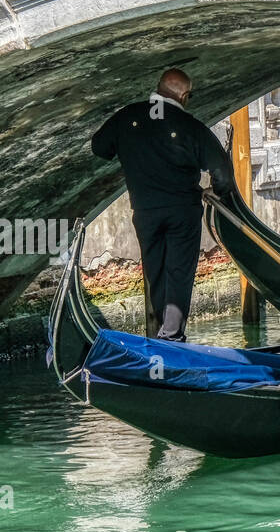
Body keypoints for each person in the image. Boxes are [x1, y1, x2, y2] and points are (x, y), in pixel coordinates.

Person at [91, 68, 234, 341]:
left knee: (156, 271)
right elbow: (223, 172)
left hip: (145, 211)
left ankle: (163, 338)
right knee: (178, 272)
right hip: (182, 211)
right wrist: (218, 191)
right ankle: (172, 338)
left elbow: (99, 147)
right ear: (185, 95)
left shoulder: (128, 116)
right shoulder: (190, 127)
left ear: (158, 88)